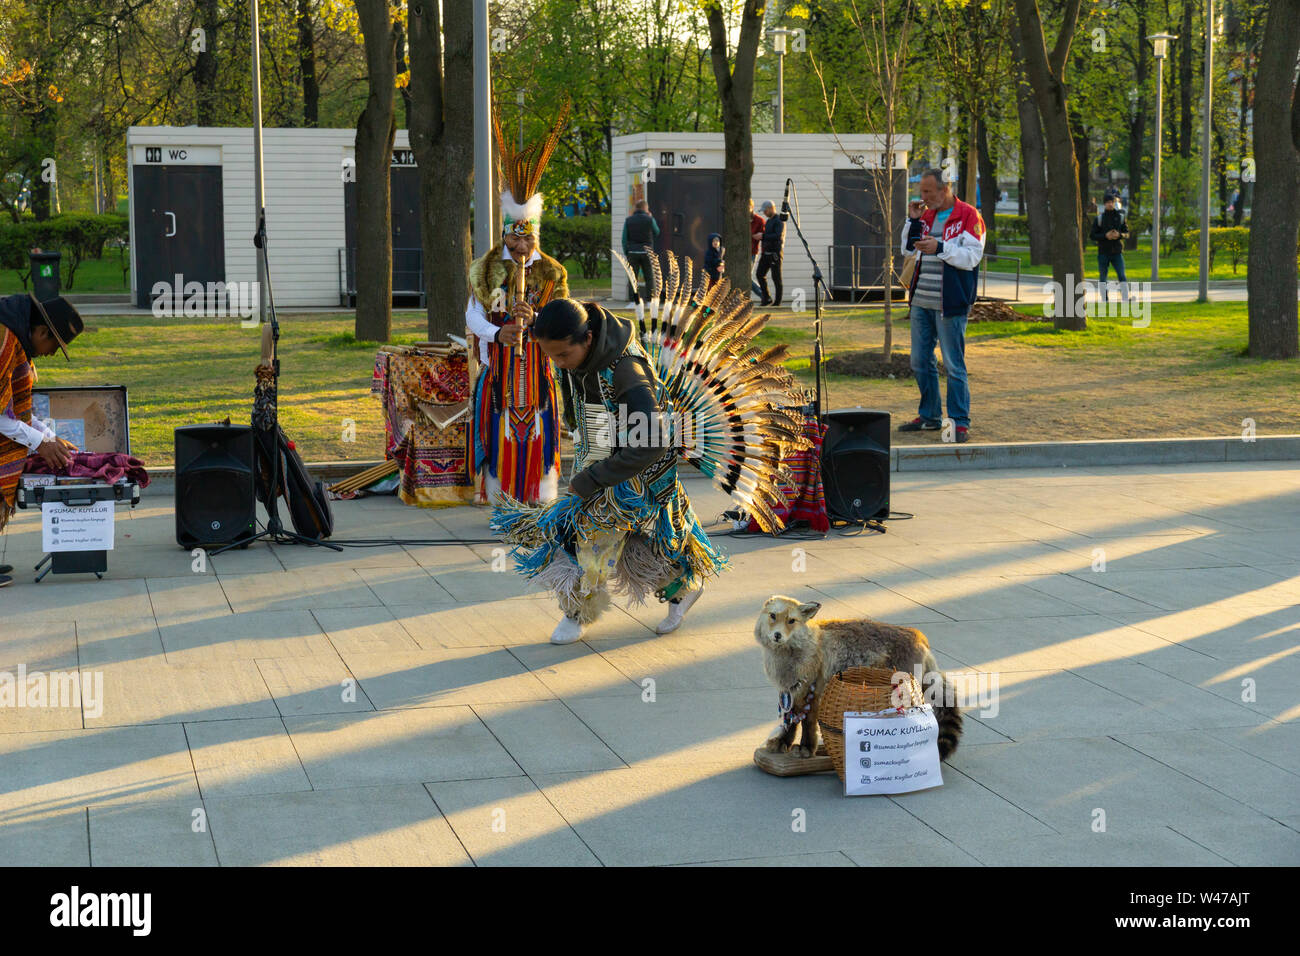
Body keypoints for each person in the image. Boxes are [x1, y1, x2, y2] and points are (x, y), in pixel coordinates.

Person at [492, 298, 727, 645]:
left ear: (587, 339)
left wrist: (592, 479)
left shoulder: (626, 372)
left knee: (586, 536)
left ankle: (577, 610)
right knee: (628, 541)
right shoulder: (580, 344)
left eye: (562, 356)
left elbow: (653, 443)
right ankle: (680, 588)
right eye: (552, 356)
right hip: (603, 457)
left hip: (637, 469)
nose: (558, 363)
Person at [465, 99, 570, 506]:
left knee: (540, 431)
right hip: (500, 376)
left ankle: (540, 494)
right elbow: (471, 317)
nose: (522, 246)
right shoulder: (486, 267)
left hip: (539, 372)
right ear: (506, 234)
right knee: (500, 429)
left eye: (528, 239)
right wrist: (499, 331)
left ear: (535, 236)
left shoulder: (553, 272)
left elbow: (567, 322)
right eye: (515, 238)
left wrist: (538, 319)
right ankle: (501, 494)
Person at [1, 293, 84, 588]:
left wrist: (49, 437)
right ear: (40, 332)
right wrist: (40, 442)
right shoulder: (4, 342)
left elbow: (14, 411)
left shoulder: (15, 341)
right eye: (54, 345)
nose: (50, 354)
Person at [898, 168, 985, 444]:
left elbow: (971, 257)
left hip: (950, 303)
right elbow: (908, 250)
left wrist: (940, 247)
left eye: (928, 192)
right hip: (921, 300)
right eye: (921, 191)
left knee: (953, 364)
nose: (923, 197)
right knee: (920, 361)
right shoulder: (925, 215)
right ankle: (930, 416)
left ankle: (959, 421)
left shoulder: (969, 215)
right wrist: (912, 222)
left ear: (944, 189)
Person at [1090, 188, 1130, 305]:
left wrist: (1119, 235)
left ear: (1115, 203)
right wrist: (1105, 236)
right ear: (1104, 204)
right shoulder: (1099, 219)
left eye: (1112, 202)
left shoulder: (1120, 217)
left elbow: (1127, 233)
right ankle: (1105, 299)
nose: (1110, 204)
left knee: (1122, 275)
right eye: (1108, 202)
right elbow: (1092, 235)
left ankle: (1125, 298)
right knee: (1103, 278)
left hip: (1117, 252)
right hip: (1103, 252)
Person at [621, 199, 659, 306]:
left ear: (636, 208)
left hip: (632, 252)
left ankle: (633, 301)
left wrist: (627, 252)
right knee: (649, 277)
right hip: (647, 252)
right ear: (645, 208)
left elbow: (624, 239)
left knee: (632, 278)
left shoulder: (628, 220)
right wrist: (651, 217)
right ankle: (650, 301)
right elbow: (657, 231)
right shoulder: (649, 219)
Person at [755, 200, 785, 307]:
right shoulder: (768, 222)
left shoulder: (779, 221)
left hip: (775, 254)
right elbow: (767, 236)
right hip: (766, 253)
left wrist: (762, 236)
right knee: (759, 274)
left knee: (776, 277)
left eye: (765, 210)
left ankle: (777, 302)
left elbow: (777, 236)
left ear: (771, 208)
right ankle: (766, 297)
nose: (764, 213)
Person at [749, 198, 765, 297]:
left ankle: (763, 295)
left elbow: (765, 234)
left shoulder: (759, 220)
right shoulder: (739, 220)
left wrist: (761, 235)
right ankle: (764, 295)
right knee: (745, 276)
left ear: (752, 207)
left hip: (752, 252)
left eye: (748, 207)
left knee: (746, 276)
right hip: (740, 252)